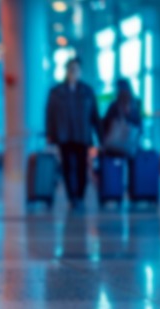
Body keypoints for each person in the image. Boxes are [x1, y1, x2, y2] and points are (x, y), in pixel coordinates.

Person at [45, 58, 103, 208]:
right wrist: (50, 134)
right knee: (67, 166)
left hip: (82, 135)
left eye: (76, 69)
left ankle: (80, 195)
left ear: (80, 71)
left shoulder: (87, 91)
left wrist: (100, 136)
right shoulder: (57, 92)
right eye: (71, 68)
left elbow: (94, 115)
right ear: (67, 70)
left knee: (81, 166)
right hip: (64, 136)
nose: (74, 72)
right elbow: (50, 114)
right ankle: (72, 196)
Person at [102, 79, 142, 154]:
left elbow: (106, 125)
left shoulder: (114, 106)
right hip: (130, 147)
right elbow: (139, 127)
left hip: (114, 146)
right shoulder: (135, 105)